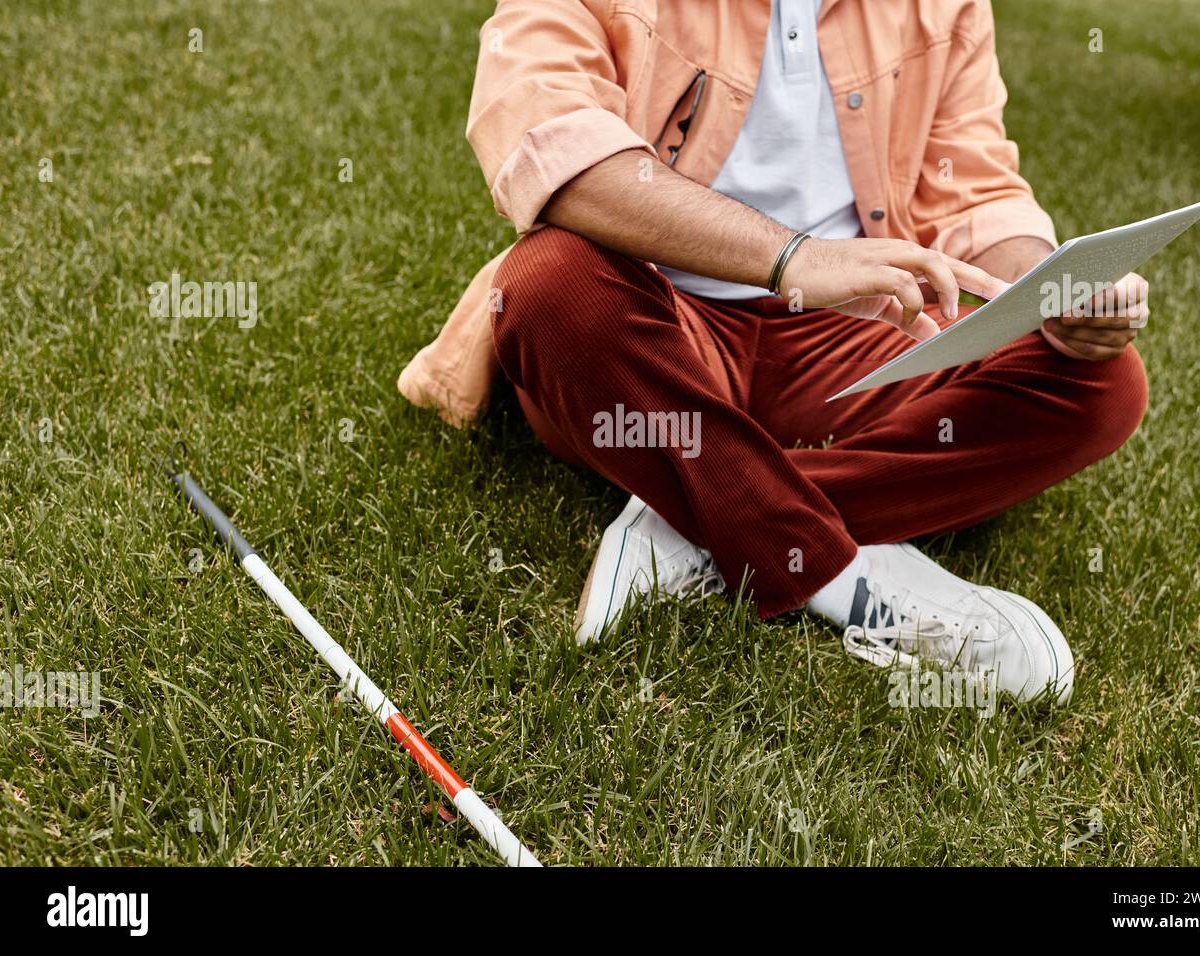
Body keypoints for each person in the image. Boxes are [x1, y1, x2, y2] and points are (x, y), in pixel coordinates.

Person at [398, 0, 1152, 704]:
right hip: (650, 319)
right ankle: (849, 578)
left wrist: (1053, 287)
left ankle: (693, 515)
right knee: (548, 287)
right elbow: (545, 137)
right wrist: (793, 256)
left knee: (1098, 382)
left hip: (844, 335)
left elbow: (978, 192)